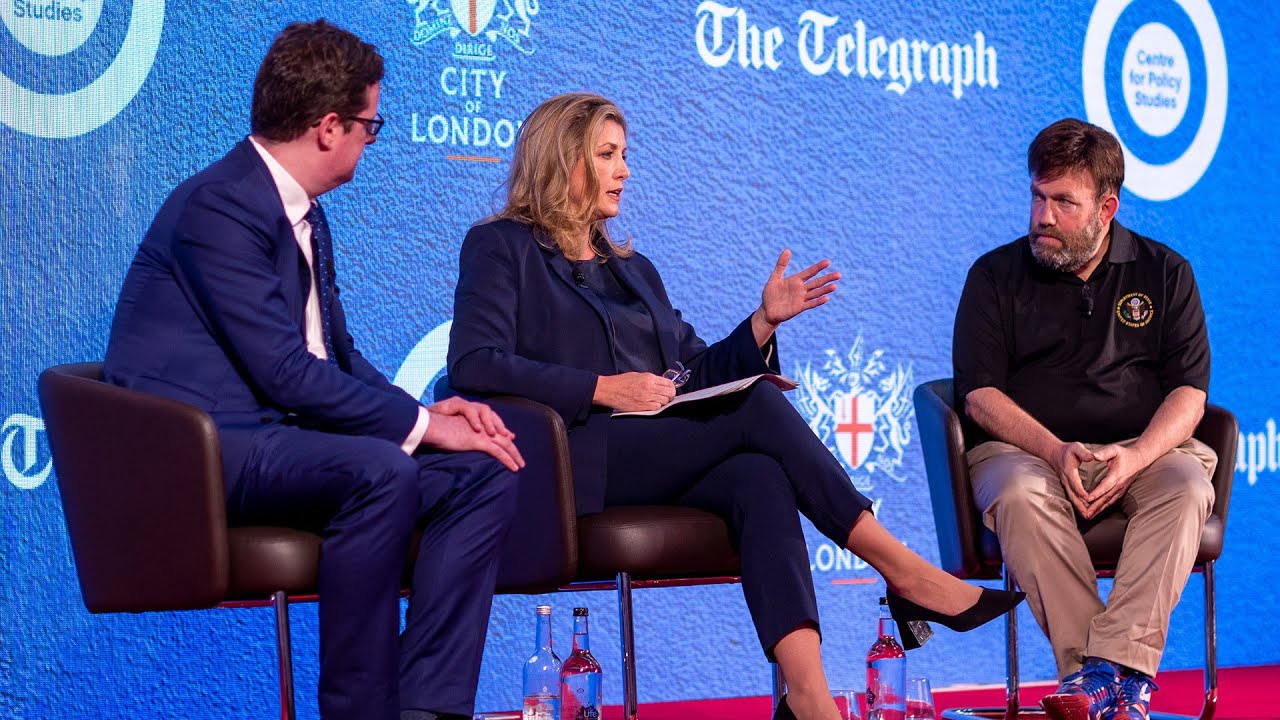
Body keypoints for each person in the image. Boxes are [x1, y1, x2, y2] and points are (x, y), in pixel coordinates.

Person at [447, 92, 1023, 720]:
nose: (624, 170)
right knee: (756, 412)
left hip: (652, 447)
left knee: (760, 475)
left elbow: (691, 371)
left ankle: (807, 697)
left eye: (624, 155)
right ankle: (905, 571)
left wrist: (761, 324)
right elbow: (476, 363)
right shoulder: (501, 246)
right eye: (607, 155)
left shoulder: (633, 270)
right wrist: (602, 389)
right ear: (564, 162)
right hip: (574, 459)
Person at [103, 20, 524, 720]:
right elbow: (284, 371)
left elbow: (337, 356)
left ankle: (426, 709)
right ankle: (361, 709)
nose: (369, 139)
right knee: (381, 470)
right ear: (329, 126)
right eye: (369, 124)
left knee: (484, 474)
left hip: (283, 440)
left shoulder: (304, 215)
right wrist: (419, 427)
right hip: (206, 449)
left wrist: (431, 413)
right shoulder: (222, 205)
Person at [954, 119, 1216, 720]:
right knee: (1018, 492)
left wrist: (1137, 456)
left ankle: (1103, 675)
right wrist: (1053, 449)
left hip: (1140, 450)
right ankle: (1102, 677)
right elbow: (979, 396)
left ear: (1107, 207)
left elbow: (1189, 394)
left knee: (1186, 485)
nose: (1043, 217)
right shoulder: (993, 277)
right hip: (1027, 453)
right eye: (1037, 197)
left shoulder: (1165, 273)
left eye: (1062, 203)